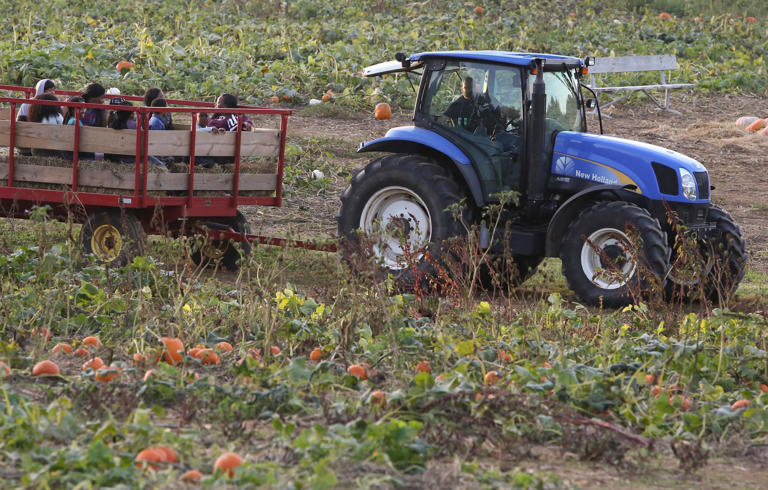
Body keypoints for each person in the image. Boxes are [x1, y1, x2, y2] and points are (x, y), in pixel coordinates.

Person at [106, 98, 167, 170]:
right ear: (131, 114)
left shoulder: (112, 125)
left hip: (118, 159)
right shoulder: (135, 125)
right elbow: (143, 145)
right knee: (161, 166)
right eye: (134, 113)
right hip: (134, 158)